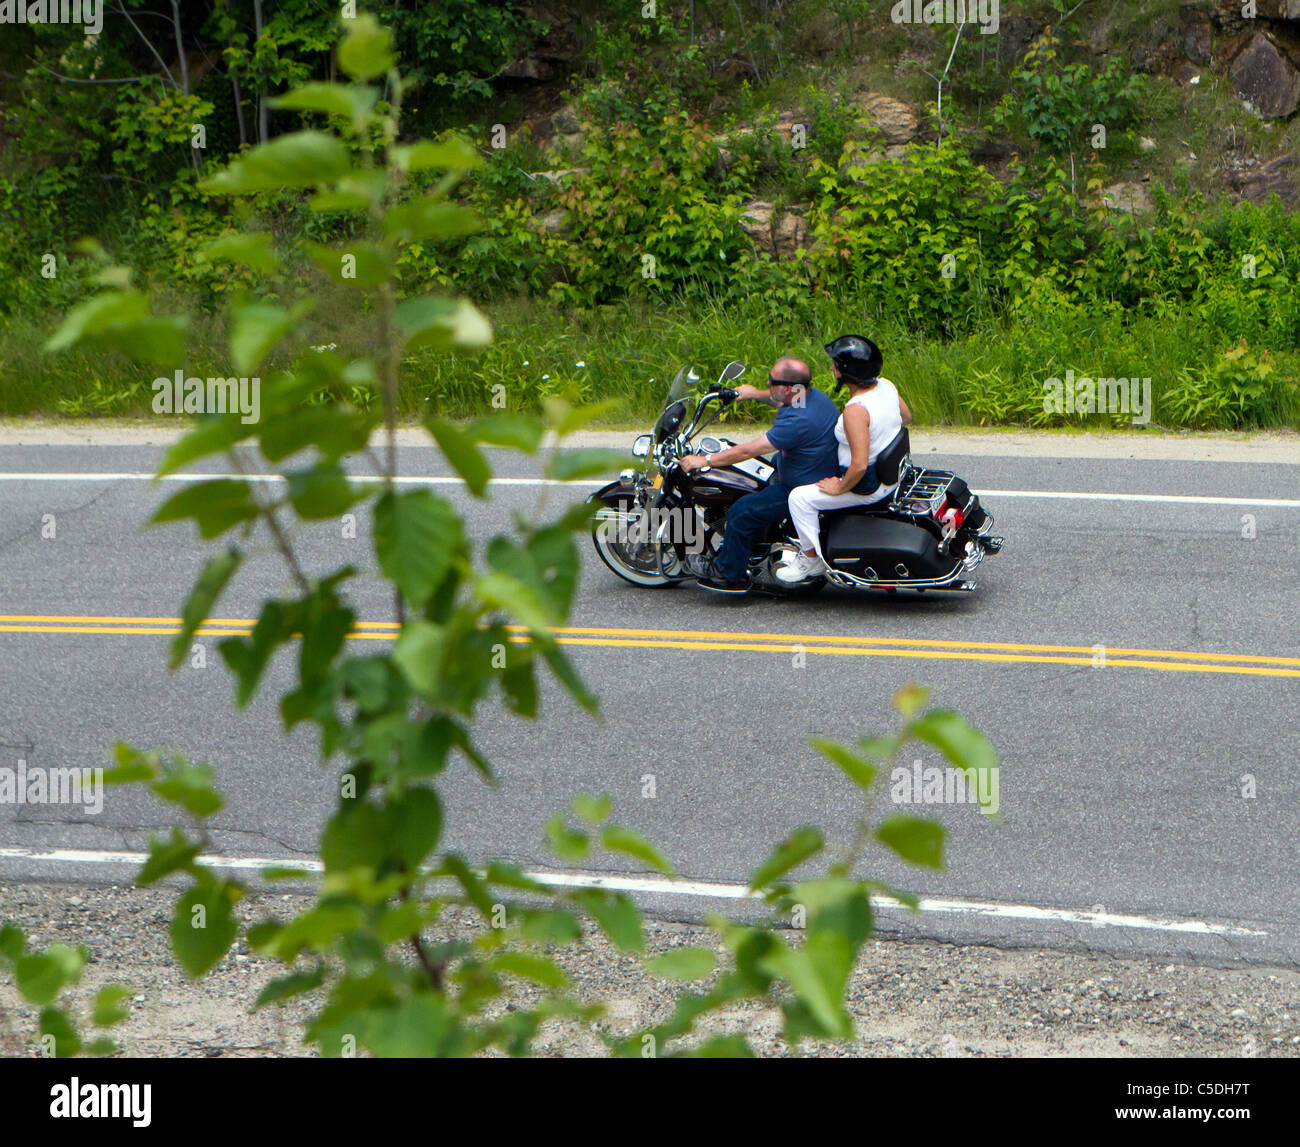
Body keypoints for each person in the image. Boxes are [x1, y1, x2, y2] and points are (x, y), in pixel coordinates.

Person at [679, 357, 839, 594]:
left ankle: (728, 571)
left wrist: (705, 460)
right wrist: (755, 393)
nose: (768, 382)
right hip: (808, 467)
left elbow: (748, 450)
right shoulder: (810, 397)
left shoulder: (797, 421)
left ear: (787, 387)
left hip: (800, 487)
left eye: (772, 381)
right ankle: (754, 544)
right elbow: (779, 400)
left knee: (741, 512)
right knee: (753, 480)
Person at [777, 335, 913, 583]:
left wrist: (839, 486)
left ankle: (810, 561)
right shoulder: (886, 385)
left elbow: (859, 465)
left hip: (867, 485)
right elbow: (906, 418)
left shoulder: (856, 410)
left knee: (798, 498)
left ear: (848, 372)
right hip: (893, 474)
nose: (831, 368)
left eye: (836, 365)